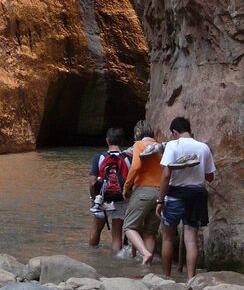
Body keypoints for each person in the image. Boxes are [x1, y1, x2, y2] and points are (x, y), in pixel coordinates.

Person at [156, 116, 216, 280]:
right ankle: (191, 279)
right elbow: (210, 177)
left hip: (175, 194)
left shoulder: (173, 146)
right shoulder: (203, 148)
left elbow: (166, 175)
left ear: (174, 132)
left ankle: (167, 277)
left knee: (168, 237)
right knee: (191, 240)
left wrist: (160, 200)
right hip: (197, 195)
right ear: (189, 130)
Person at [122, 120, 163, 265]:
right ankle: (147, 266)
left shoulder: (139, 145)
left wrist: (127, 186)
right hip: (161, 193)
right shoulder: (159, 147)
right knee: (150, 232)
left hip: (144, 190)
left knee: (129, 226)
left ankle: (145, 253)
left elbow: (136, 166)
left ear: (137, 134)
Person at [89, 127, 131, 252]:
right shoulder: (128, 158)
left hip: (103, 198)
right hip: (121, 198)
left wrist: (93, 199)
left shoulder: (99, 157)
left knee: (96, 230)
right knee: (117, 235)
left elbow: (91, 183)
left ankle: (91, 258)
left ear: (107, 140)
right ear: (123, 142)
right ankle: (116, 263)